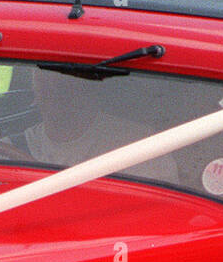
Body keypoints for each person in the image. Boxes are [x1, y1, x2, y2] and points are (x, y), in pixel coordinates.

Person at [23, 67, 178, 184]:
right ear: (35, 92)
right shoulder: (9, 148)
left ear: (88, 90)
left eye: (64, 84)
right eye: (44, 82)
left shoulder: (139, 146)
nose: (53, 91)